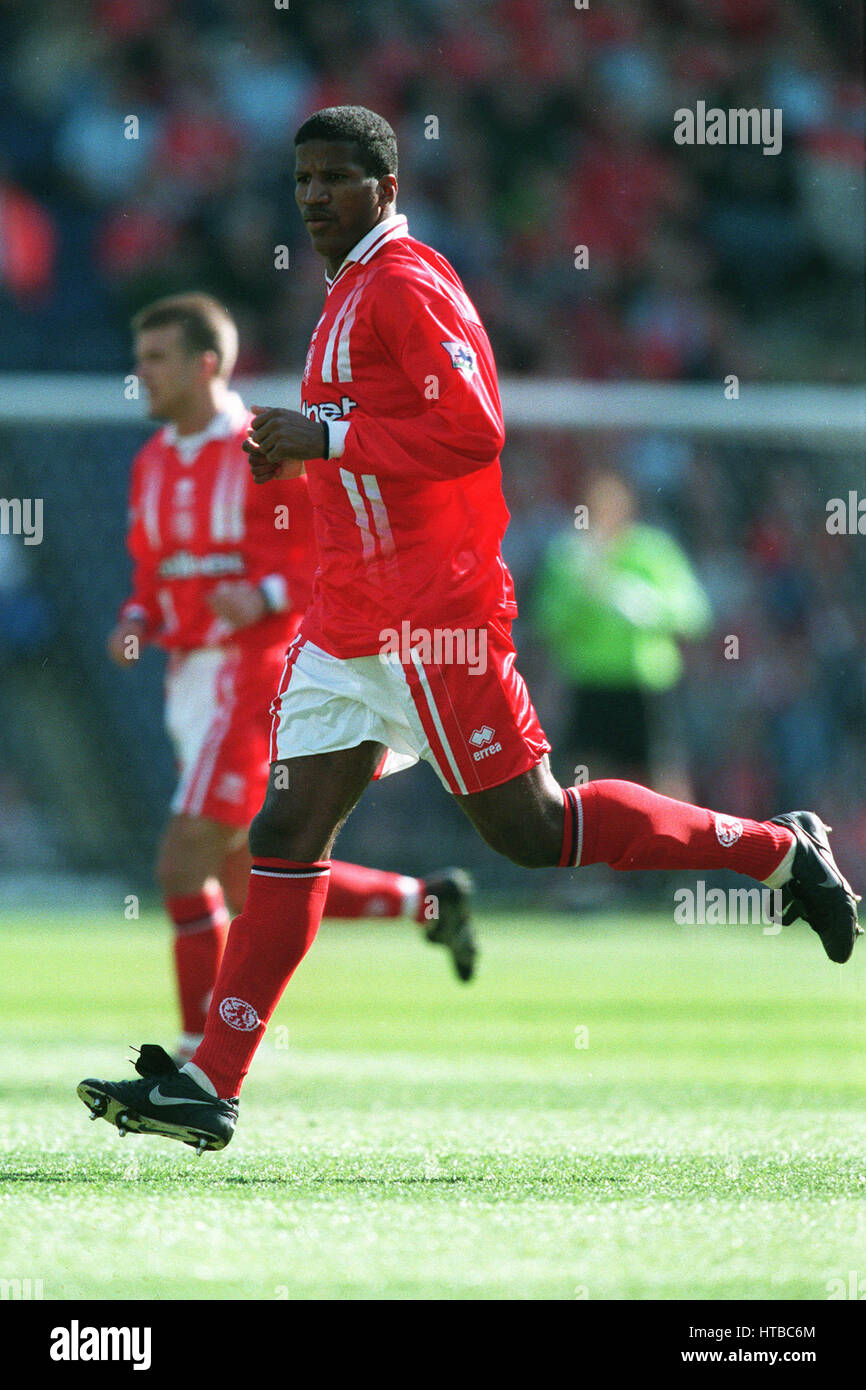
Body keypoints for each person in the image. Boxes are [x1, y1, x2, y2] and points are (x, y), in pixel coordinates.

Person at [79, 107, 860, 1154]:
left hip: (430, 619)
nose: (312, 196)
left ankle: (776, 851)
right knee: (283, 832)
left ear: (384, 187)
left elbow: (475, 424)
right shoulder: (346, 290)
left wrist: (326, 433)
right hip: (348, 617)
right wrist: (305, 455)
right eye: (302, 179)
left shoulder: (404, 281)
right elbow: (371, 450)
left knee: (530, 831)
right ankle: (209, 1081)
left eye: (336, 179)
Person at [106, 292, 477, 1062]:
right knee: (250, 878)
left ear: (205, 365)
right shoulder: (149, 463)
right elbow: (151, 569)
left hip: (256, 679)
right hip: (189, 680)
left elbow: (326, 557)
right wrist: (138, 618)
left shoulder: (260, 447)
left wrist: (267, 595)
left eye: (156, 359)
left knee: (182, 861)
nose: (140, 373)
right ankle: (428, 900)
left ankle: (194, 1051)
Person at [533, 469, 712, 790]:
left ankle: (677, 840)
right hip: (589, 682)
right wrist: (584, 593)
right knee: (586, 774)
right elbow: (548, 619)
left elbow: (694, 613)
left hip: (645, 683)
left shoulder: (652, 550)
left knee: (663, 772)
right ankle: (590, 839)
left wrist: (648, 605)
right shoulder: (570, 556)